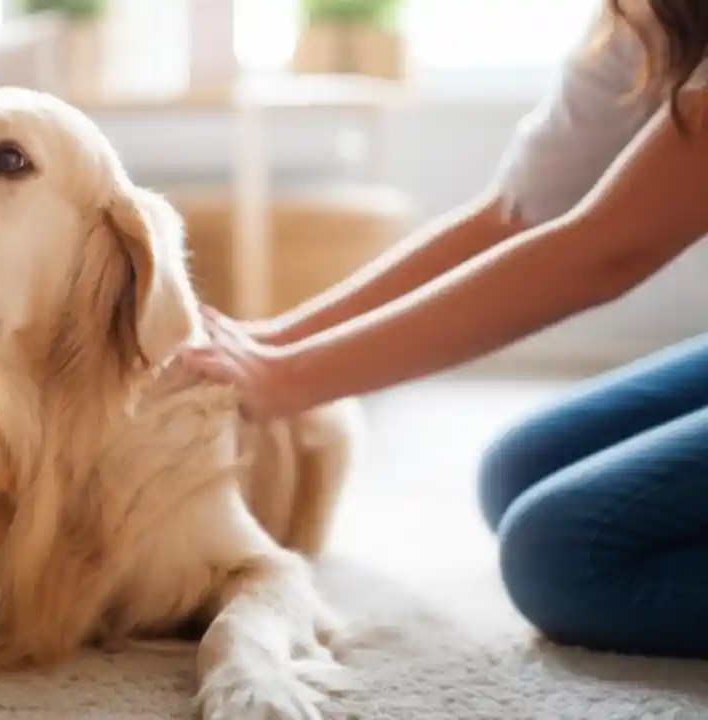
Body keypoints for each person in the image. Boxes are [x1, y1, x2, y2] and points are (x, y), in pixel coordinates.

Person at [177, 0, 708, 659]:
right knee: (519, 468)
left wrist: (293, 379)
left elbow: (602, 253)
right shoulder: (648, 19)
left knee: (569, 557)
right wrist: (271, 342)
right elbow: (513, 218)